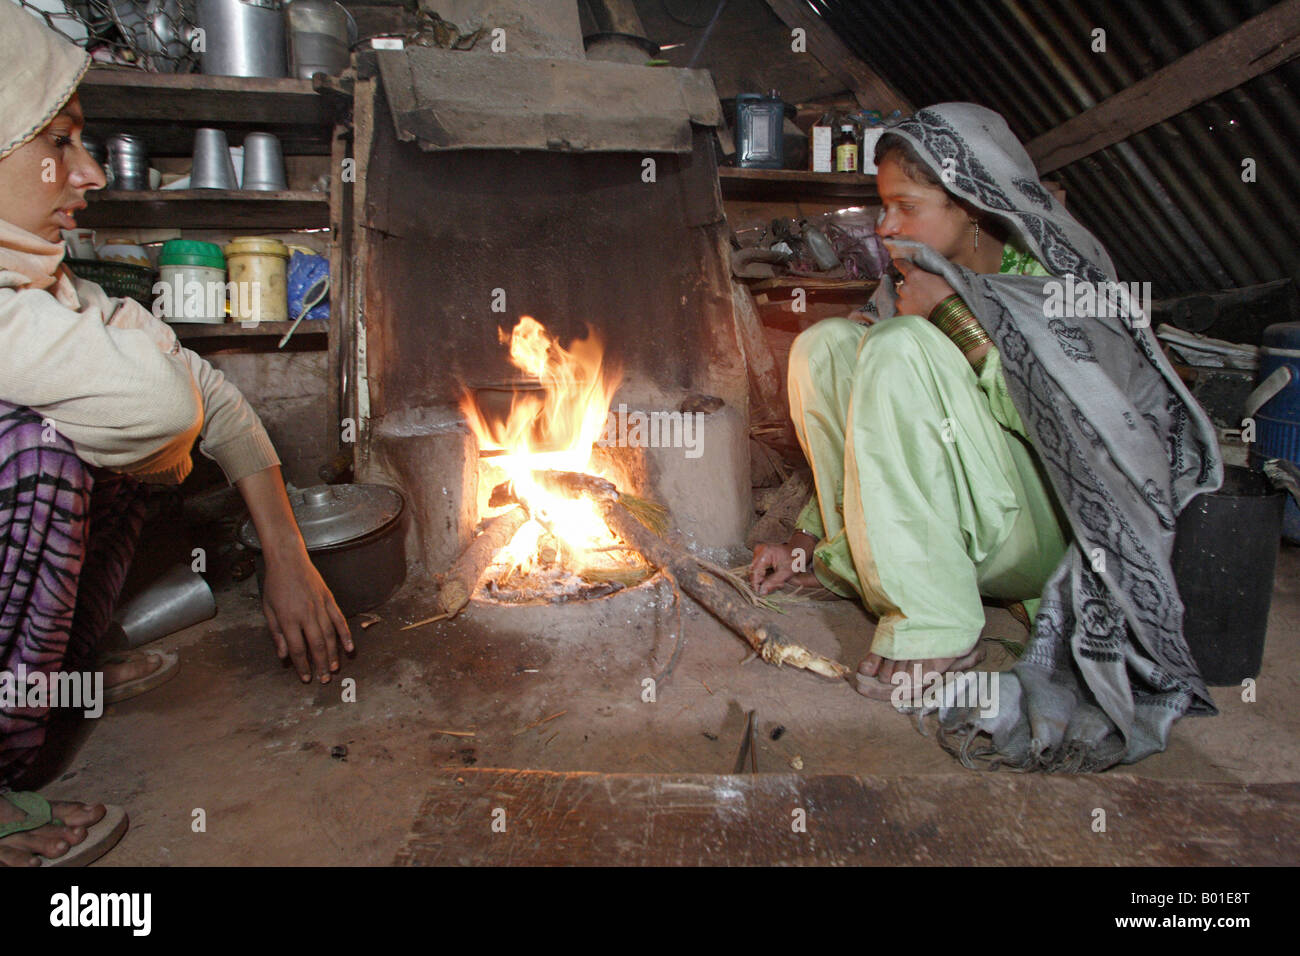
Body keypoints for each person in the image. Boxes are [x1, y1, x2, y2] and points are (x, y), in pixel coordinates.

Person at [752, 103, 1221, 771]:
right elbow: (867, 423)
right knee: (826, 342)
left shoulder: (1057, 285)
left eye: (905, 206)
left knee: (900, 344)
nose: (886, 227)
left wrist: (952, 319)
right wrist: (808, 536)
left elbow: (1085, 438)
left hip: (1040, 536)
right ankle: (859, 556)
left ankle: (938, 626)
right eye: (883, 206)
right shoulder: (907, 278)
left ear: (972, 206)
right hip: (952, 527)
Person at [0, 4, 352, 866]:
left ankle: (56, 677)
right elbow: (163, 403)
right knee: (46, 453)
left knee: (104, 441)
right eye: (57, 143)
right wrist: (151, 411)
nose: (87, 174)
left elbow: (209, 395)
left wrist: (287, 556)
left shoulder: (48, 289)